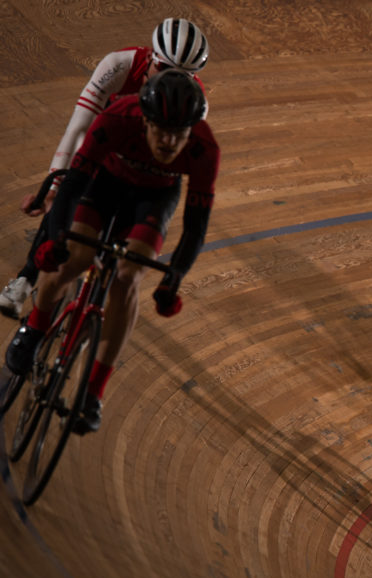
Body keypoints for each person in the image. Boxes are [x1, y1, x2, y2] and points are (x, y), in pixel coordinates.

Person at [4, 69, 219, 434]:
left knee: (129, 276)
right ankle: (35, 330)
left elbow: (196, 227)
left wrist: (173, 280)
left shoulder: (203, 148)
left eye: (178, 134)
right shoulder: (117, 117)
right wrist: (55, 243)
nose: (168, 142)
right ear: (144, 119)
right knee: (75, 258)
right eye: (160, 130)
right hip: (105, 184)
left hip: (154, 199)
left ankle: (92, 393)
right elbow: (72, 186)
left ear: (191, 131)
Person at [0, 18, 209, 320]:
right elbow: (78, 129)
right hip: (102, 142)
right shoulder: (119, 65)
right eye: (164, 70)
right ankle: (26, 278)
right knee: (67, 195)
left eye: (182, 77)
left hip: (145, 163)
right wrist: (54, 188)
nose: (168, 83)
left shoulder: (195, 106)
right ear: (151, 57)